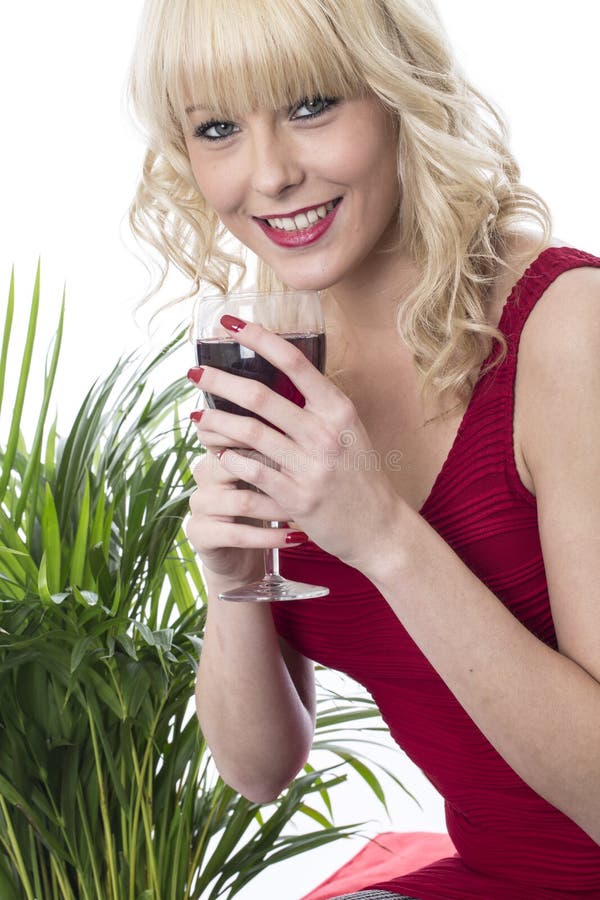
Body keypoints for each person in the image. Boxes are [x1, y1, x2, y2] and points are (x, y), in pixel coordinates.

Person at [127, 1, 600, 897]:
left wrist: (382, 535)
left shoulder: (567, 327)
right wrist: (231, 579)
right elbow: (258, 771)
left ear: (399, 97)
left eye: (311, 106)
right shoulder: (279, 358)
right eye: (219, 128)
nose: (270, 174)